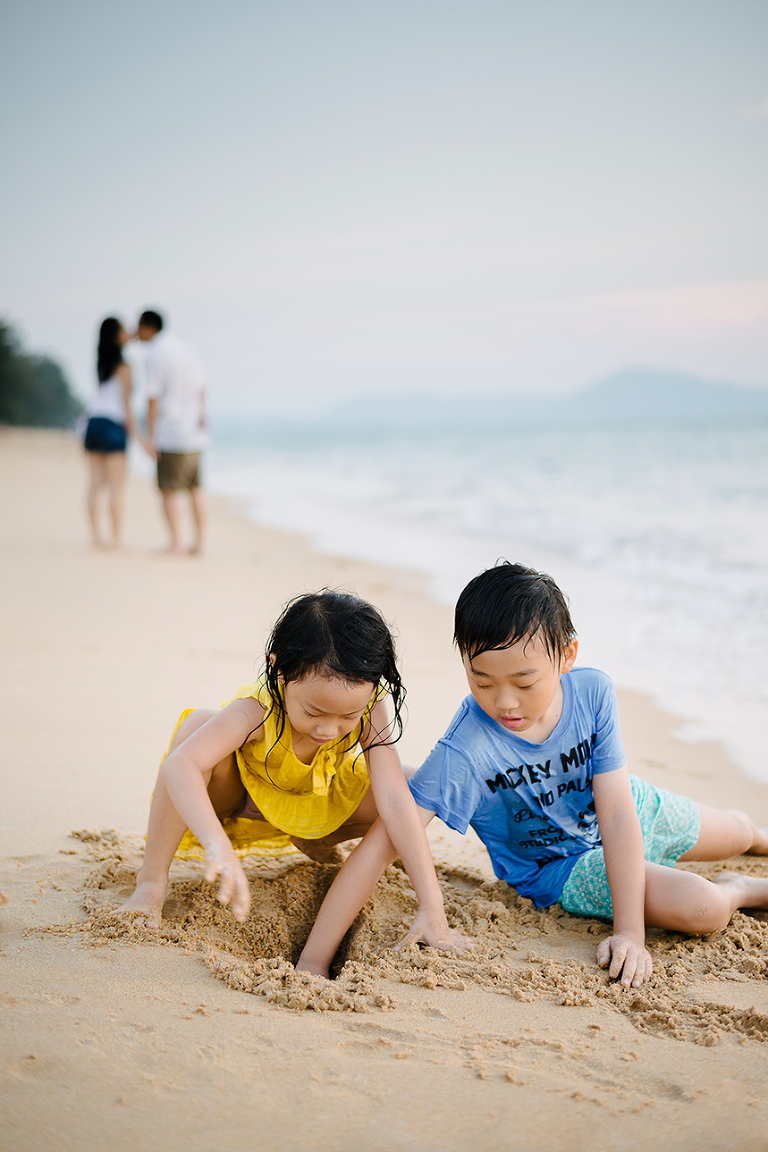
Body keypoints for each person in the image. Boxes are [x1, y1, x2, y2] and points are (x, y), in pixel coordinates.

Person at [297, 562, 768, 986]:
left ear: (566, 655)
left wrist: (630, 931)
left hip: (629, 807)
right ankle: (742, 888)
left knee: (739, 832)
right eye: (482, 681)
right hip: (559, 865)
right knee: (703, 907)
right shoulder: (467, 748)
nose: (504, 702)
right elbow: (380, 845)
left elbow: (618, 813)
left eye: (524, 682)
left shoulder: (593, 693)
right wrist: (314, 961)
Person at [121, 590, 472, 962]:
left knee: (417, 788)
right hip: (240, 798)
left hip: (314, 799)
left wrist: (432, 905)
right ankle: (150, 884)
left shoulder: (370, 703)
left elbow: (394, 798)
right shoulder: (257, 708)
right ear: (279, 670)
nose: (329, 730)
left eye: (348, 717)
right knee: (197, 727)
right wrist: (215, 843)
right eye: (314, 712)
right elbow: (180, 765)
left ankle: (318, 842)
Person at [136, 309, 207, 555]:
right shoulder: (186, 349)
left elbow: (153, 398)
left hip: (171, 431)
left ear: (147, 327)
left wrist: (149, 436)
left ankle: (176, 544)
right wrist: (202, 416)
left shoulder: (155, 354)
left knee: (169, 489)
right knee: (195, 488)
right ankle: (200, 544)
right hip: (194, 430)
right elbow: (201, 387)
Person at [83, 317, 140, 549]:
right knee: (117, 486)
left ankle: (96, 537)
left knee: (96, 483)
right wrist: (139, 436)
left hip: (93, 422)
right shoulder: (124, 366)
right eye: (123, 330)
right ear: (117, 336)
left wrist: (131, 336)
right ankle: (117, 540)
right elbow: (126, 405)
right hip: (113, 425)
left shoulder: (101, 364)